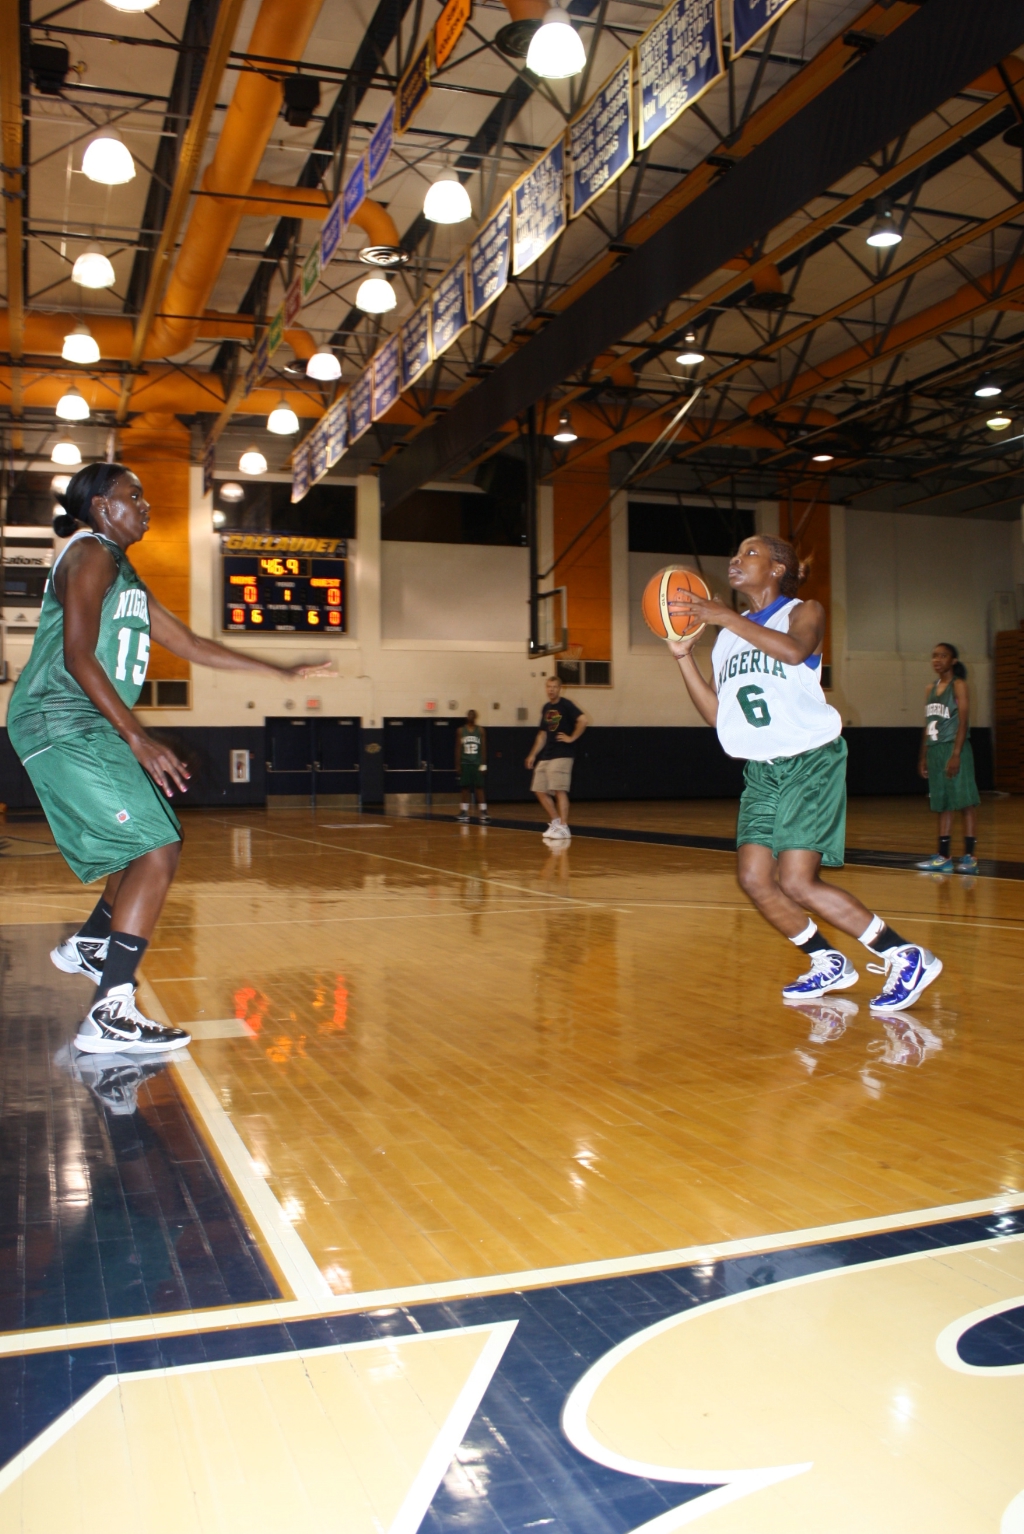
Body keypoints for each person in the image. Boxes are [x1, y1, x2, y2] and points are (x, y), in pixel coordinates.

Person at [6, 462, 332, 1055]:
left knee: (151, 842)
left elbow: (191, 645)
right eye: (136, 495)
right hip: (65, 716)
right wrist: (136, 735)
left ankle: (88, 945)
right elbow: (79, 656)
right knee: (158, 850)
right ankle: (110, 1011)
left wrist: (278, 670)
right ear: (104, 506)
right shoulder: (91, 555)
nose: (146, 505)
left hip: (83, 721)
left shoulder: (121, 571)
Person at [667, 534, 942, 1012]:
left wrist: (723, 616)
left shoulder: (803, 609)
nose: (736, 560)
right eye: (734, 553)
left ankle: (905, 954)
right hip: (762, 769)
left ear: (777, 568)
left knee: (797, 881)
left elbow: (795, 652)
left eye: (749, 553)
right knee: (754, 878)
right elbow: (717, 714)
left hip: (810, 760)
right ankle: (827, 961)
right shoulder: (727, 638)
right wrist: (683, 657)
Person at [916, 642, 979, 874]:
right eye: (934, 656)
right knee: (942, 804)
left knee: (966, 803)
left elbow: (963, 721)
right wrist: (923, 756)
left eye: (943, 656)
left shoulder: (959, 686)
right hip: (935, 749)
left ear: (953, 661)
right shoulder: (929, 689)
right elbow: (927, 725)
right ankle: (943, 856)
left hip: (955, 747)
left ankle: (970, 857)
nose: (937, 660)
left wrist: (956, 753)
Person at [524, 675, 589, 841]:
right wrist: (533, 754)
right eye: (548, 687)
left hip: (563, 754)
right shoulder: (546, 707)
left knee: (559, 790)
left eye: (554, 687)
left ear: (560, 689)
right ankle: (556, 822)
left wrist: (572, 737)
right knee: (539, 789)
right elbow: (542, 734)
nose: (551, 689)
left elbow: (583, 720)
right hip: (547, 754)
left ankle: (564, 827)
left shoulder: (566, 705)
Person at [455, 709, 489, 822]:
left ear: (475, 717)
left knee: (479, 787)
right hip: (465, 763)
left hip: (477, 763)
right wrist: (458, 765)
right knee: (465, 788)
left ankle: (483, 812)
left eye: (472, 715)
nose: (471, 717)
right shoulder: (460, 731)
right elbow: (458, 749)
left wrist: (484, 765)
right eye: (469, 715)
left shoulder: (481, 731)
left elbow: (483, 748)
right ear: (467, 717)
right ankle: (464, 812)